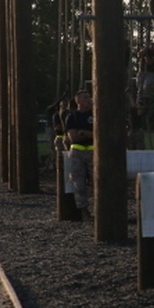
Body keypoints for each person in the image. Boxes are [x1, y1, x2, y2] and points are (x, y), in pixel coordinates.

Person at [65, 89, 94, 220]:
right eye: (85, 97)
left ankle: (99, 209)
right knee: (79, 183)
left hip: (94, 152)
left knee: (97, 182)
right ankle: (84, 211)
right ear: (78, 100)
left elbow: (99, 134)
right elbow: (73, 137)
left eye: (89, 97)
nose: (88, 99)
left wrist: (84, 133)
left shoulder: (95, 114)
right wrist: (87, 134)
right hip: (77, 152)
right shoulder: (72, 117)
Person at [135, 42, 154, 107]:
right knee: (139, 87)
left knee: (147, 84)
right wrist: (144, 50)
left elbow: (149, 62)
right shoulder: (146, 50)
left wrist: (146, 55)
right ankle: (139, 101)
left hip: (150, 72)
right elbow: (139, 55)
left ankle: (146, 99)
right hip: (142, 71)